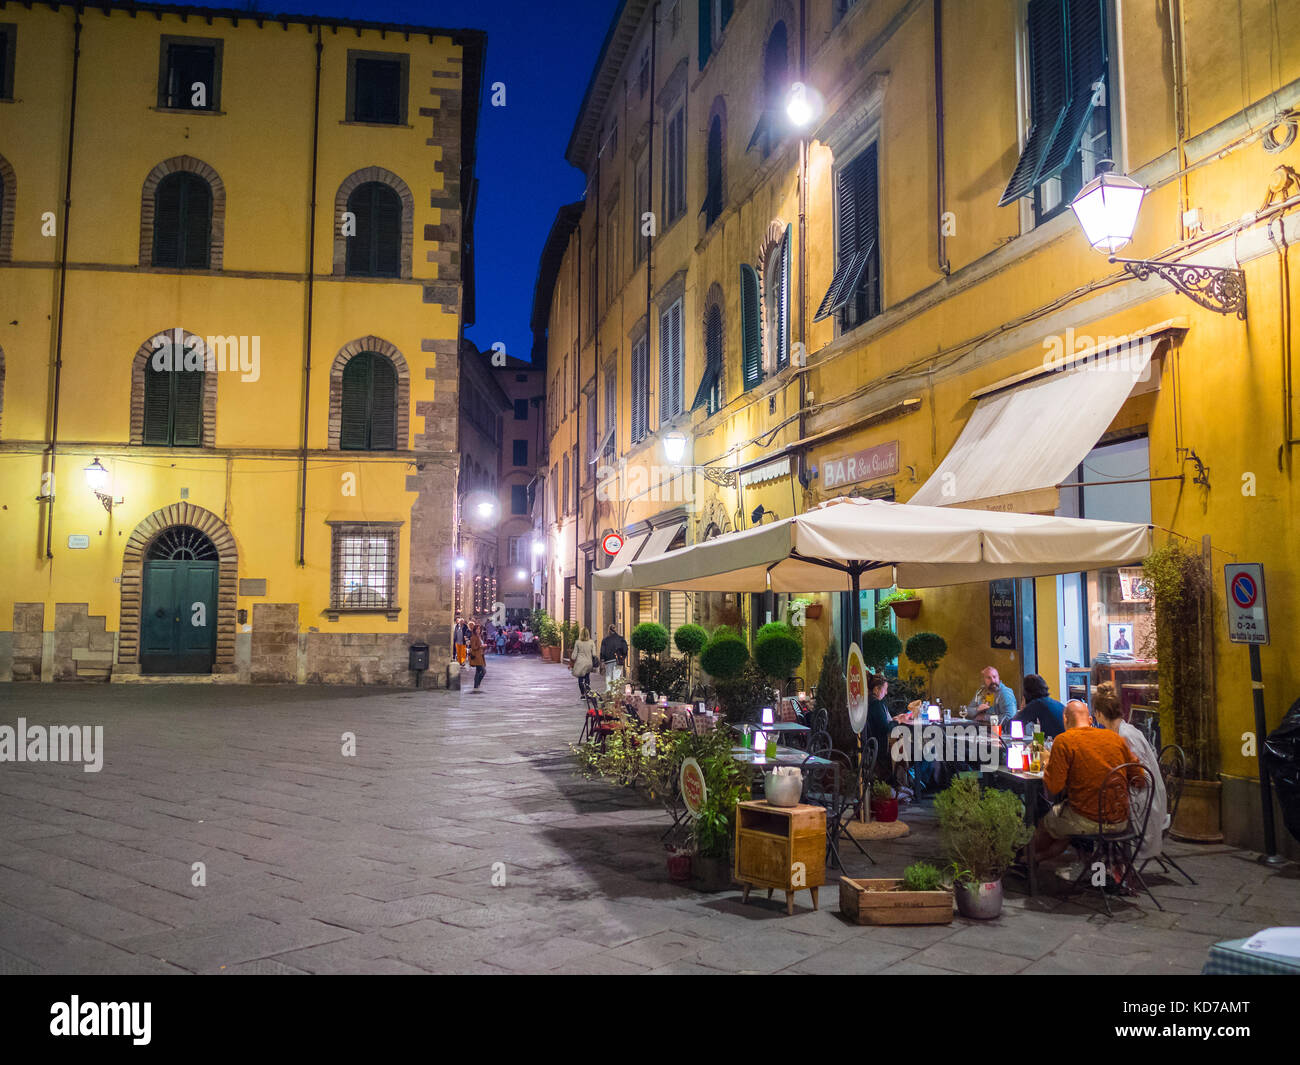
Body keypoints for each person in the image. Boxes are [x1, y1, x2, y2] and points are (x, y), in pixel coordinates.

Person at [1031, 699, 1145, 873]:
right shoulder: (1114, 738)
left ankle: (1025, 860)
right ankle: (1034, 860)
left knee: (1047, 822)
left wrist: (1048, 763)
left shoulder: (1064, 740)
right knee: (1064, 820)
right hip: (1120, 820)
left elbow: (1053, 788)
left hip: (1088, 821)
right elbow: (1139, 778)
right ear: (1091, 719)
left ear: (1065, 719)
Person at [1093, 681, 1166, 862]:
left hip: (1144, 802)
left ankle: (1107, 863)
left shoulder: (1124, 736)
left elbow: (1140, 777)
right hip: (1146, 794)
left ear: (1099, 714)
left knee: (1097, 807)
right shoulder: (1124, 730)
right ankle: (1107, 862)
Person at [1014, 673, 1065, 739]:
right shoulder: (1055, 703)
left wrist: (1023, 708)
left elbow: (1013, 724)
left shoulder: (1037, 704)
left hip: (1056, 744)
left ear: (1027, 691)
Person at [571, 626, 598, 697]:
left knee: (580, 678)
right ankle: (588, 693)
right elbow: (594, 654)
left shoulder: (577, 642)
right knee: (587, 677)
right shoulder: (591, 642)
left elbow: (573, 656)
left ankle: (582, 694)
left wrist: (573, 658)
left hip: (580, 663)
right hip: (589, 663)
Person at [466, 621, 486, 694]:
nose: (478, 630)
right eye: (477, 629)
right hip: (477, 656)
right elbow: (473, 647)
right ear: (474, 630)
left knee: (478, 672)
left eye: (479, 629)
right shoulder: (473, 637)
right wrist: (481, 646)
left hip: (480, 656)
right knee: (483, 671)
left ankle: (476, 686)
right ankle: (477, 684)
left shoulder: (479, 636)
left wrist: (483, 647)